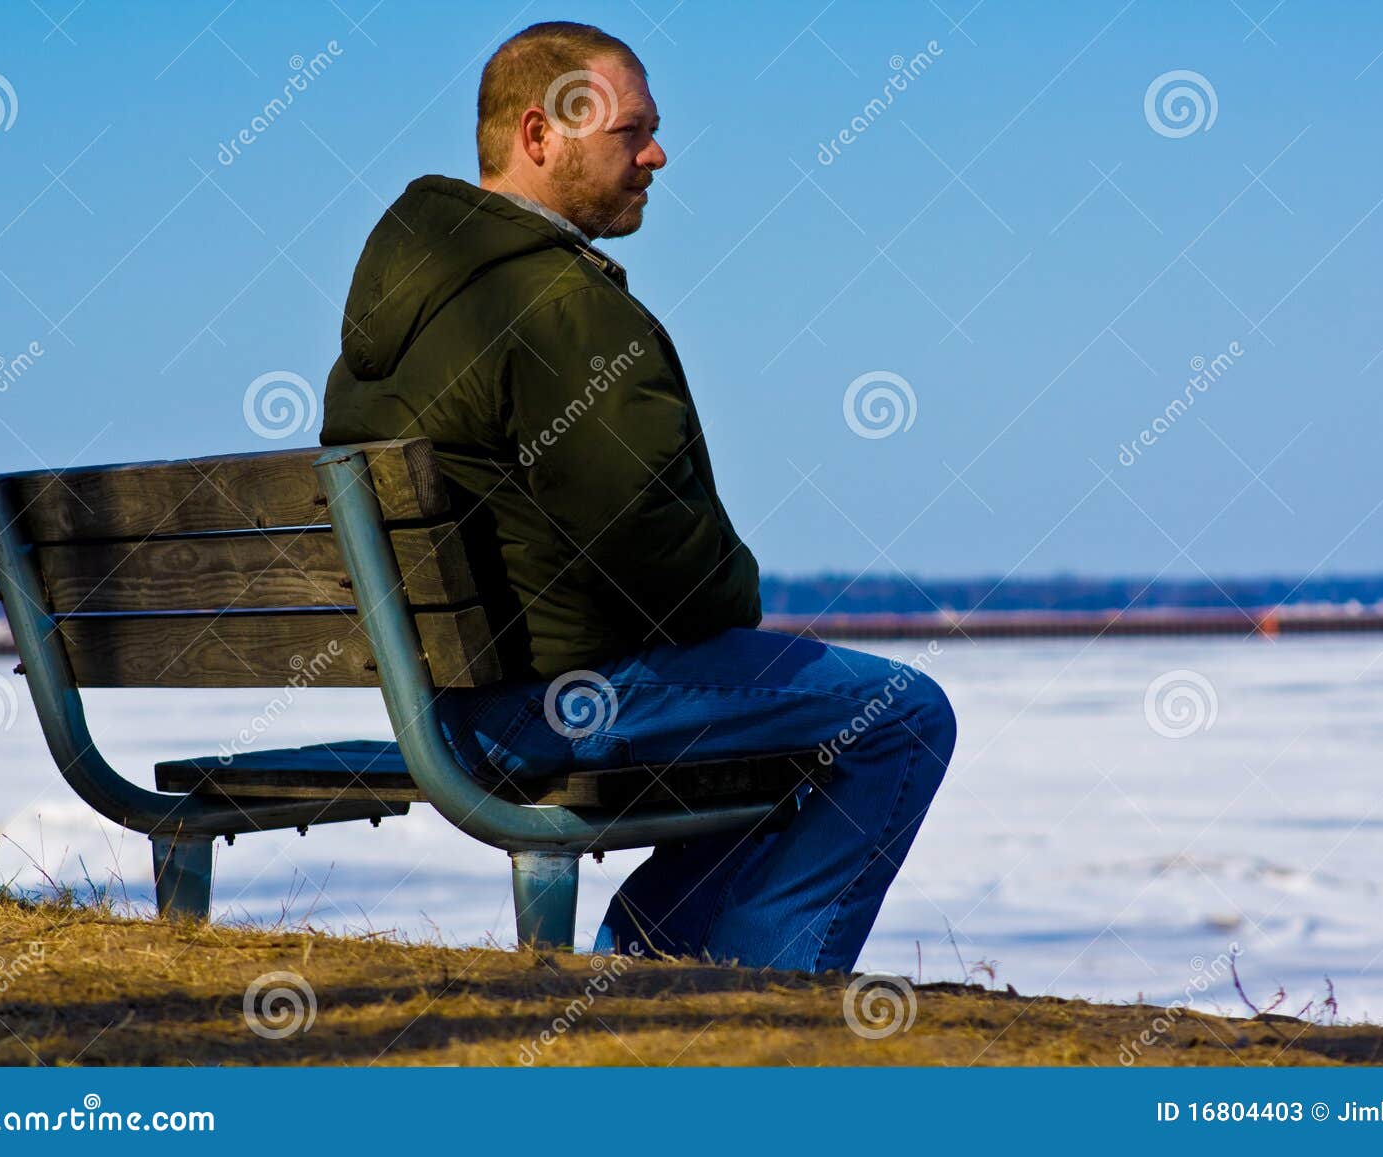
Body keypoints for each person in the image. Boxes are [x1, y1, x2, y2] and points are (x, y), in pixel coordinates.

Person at [320, 21, 955, 972]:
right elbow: (643, 538)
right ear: (541, 135)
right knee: (900, 714)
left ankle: (657, 970)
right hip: (545, 707)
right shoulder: (560, 306)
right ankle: (756, 993)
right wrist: (740, 601)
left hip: (443, 704)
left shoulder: (392, 321)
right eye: (633, 133)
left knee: (793, 713)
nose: (658, 154)